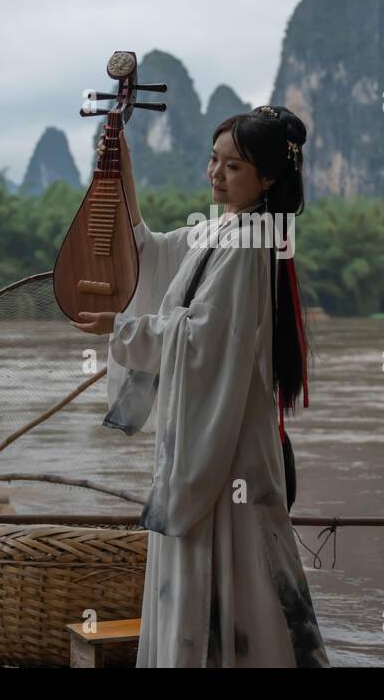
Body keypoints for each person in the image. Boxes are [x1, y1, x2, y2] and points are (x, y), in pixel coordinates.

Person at [70, 105, 330, 667]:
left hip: (225, 447)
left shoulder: (249, 243)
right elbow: (147, 252)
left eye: (233, 166)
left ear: (268, 179)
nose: (216, 173)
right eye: (214, 159)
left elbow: (203, 345)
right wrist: (121, 168)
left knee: (227, 567)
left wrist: (124, 329)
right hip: (213, 436)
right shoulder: (225, 230)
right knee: (236, 575)